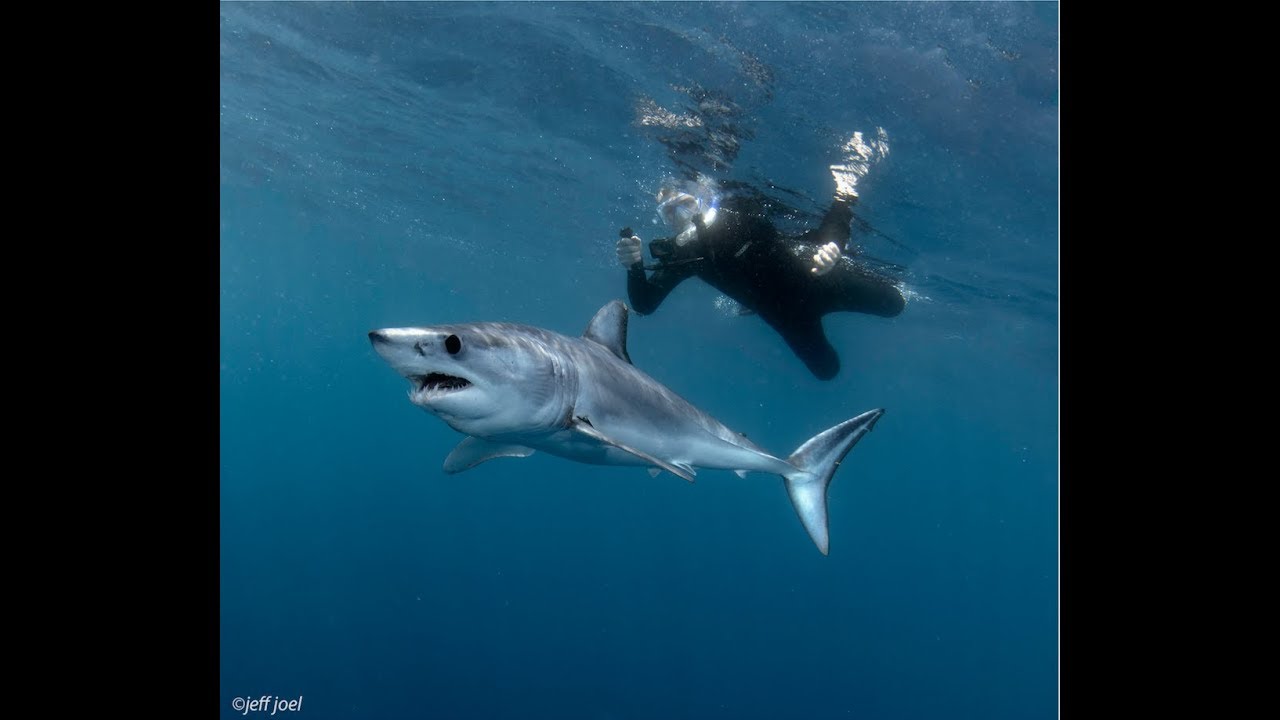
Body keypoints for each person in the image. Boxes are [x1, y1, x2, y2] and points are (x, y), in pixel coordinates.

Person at [615, 134, 905, 380]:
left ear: (703, 198)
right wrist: (634, 265)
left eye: (685, 204)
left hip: (819, 279)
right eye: (670, 212)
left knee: (895, 304)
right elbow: (644, 303)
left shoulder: (740, 212)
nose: (681, 216)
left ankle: (844, 195)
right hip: (785, 315)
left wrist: (832, 248)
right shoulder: (684, 255)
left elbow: (808, 230)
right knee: (827, 371)